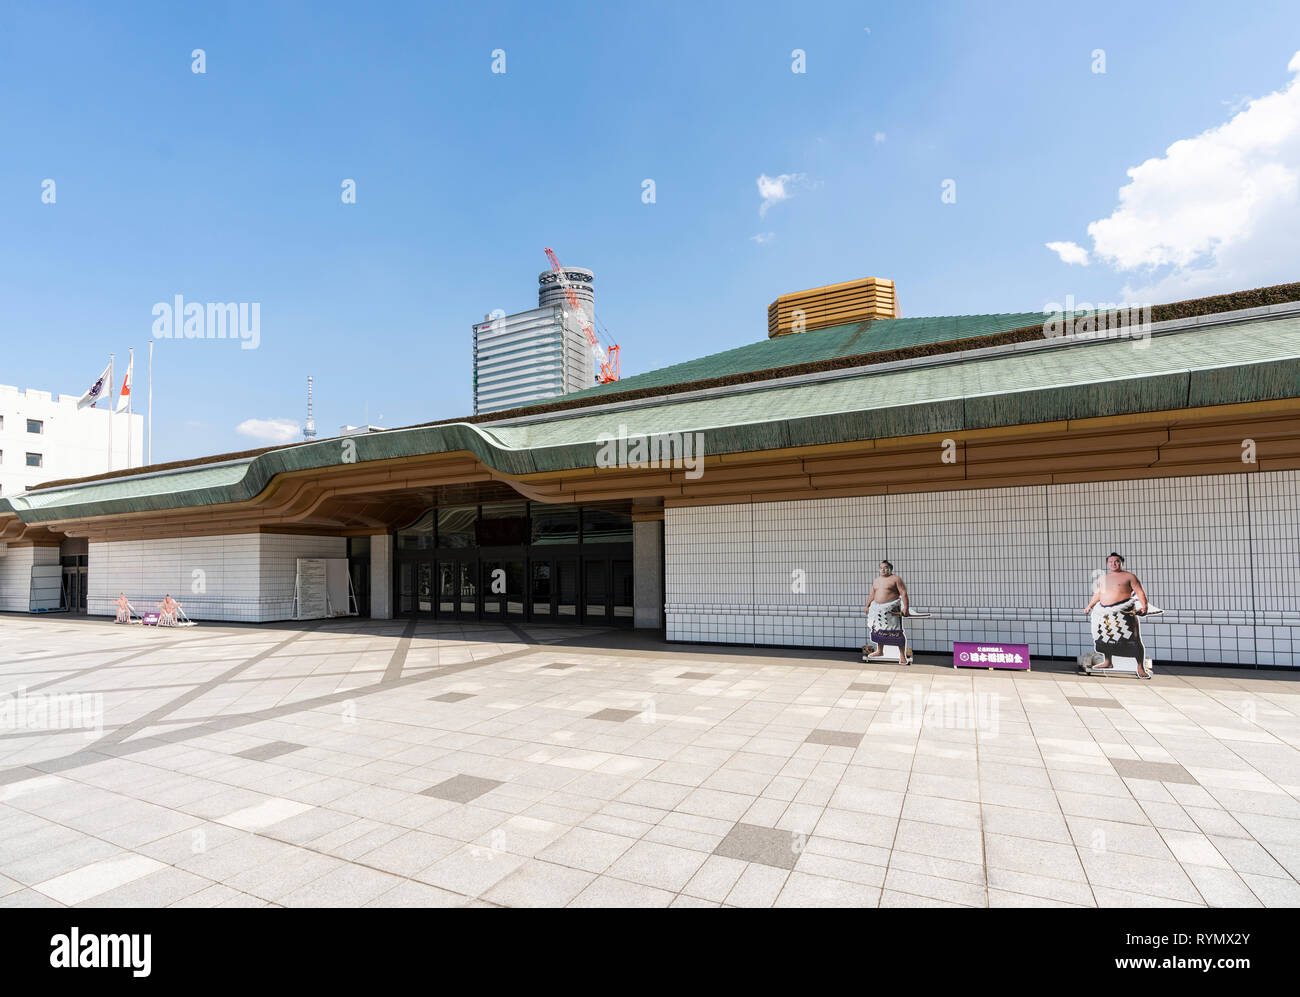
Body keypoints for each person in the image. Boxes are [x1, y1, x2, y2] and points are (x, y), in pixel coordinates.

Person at [1083, 552, 1151, 678]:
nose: (1113, 564)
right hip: (1104, 614)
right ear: (1107, 563)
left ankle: (1140, 667)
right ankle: (1108, 662)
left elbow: (1139, 592)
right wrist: (1089, 606)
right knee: (1105, 638)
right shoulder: (1103, 578)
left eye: (1116, 561)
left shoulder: (1129, 576)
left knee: (1134, 640)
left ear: (1121, 562)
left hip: (1124, 613)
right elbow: (1098, 594)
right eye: (1110, 562)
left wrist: (1144, 606)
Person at [864, 559, 912, 662]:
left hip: (892, 610)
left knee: (897, 633)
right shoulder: (876, 580)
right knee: (879, 632)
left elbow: (903, 593)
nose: (883, 570)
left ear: (890, 569)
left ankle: (902, 655)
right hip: (877, 610)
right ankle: (880, 651)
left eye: (885, 568)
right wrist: (867, 605)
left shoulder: (896, 579)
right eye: (881, 568)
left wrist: (906, 608)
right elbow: (872, 594)